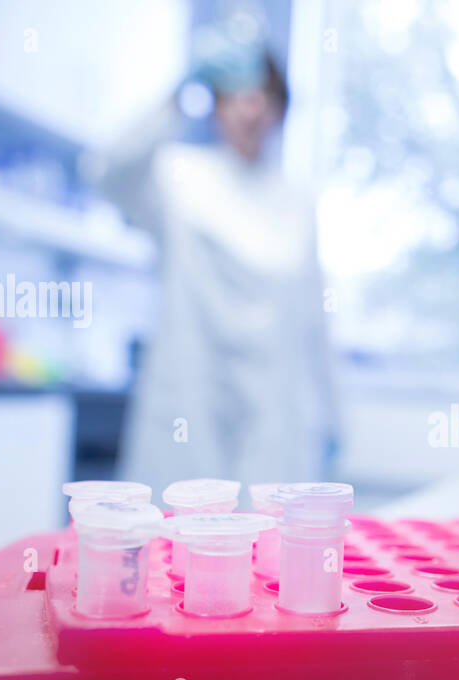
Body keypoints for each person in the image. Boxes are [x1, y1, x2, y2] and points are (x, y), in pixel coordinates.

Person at [84, 35, 337, 495]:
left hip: (274, 420)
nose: (251, 110)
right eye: (238, 95)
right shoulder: (178, 175)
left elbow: (315, 318)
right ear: (216, 105)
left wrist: (335, 415)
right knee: (178, 552)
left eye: (265, 97)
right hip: (191, 402)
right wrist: (177, 96)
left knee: (266, 554)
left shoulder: (297, 202)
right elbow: (107, 171)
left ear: (281, 110)